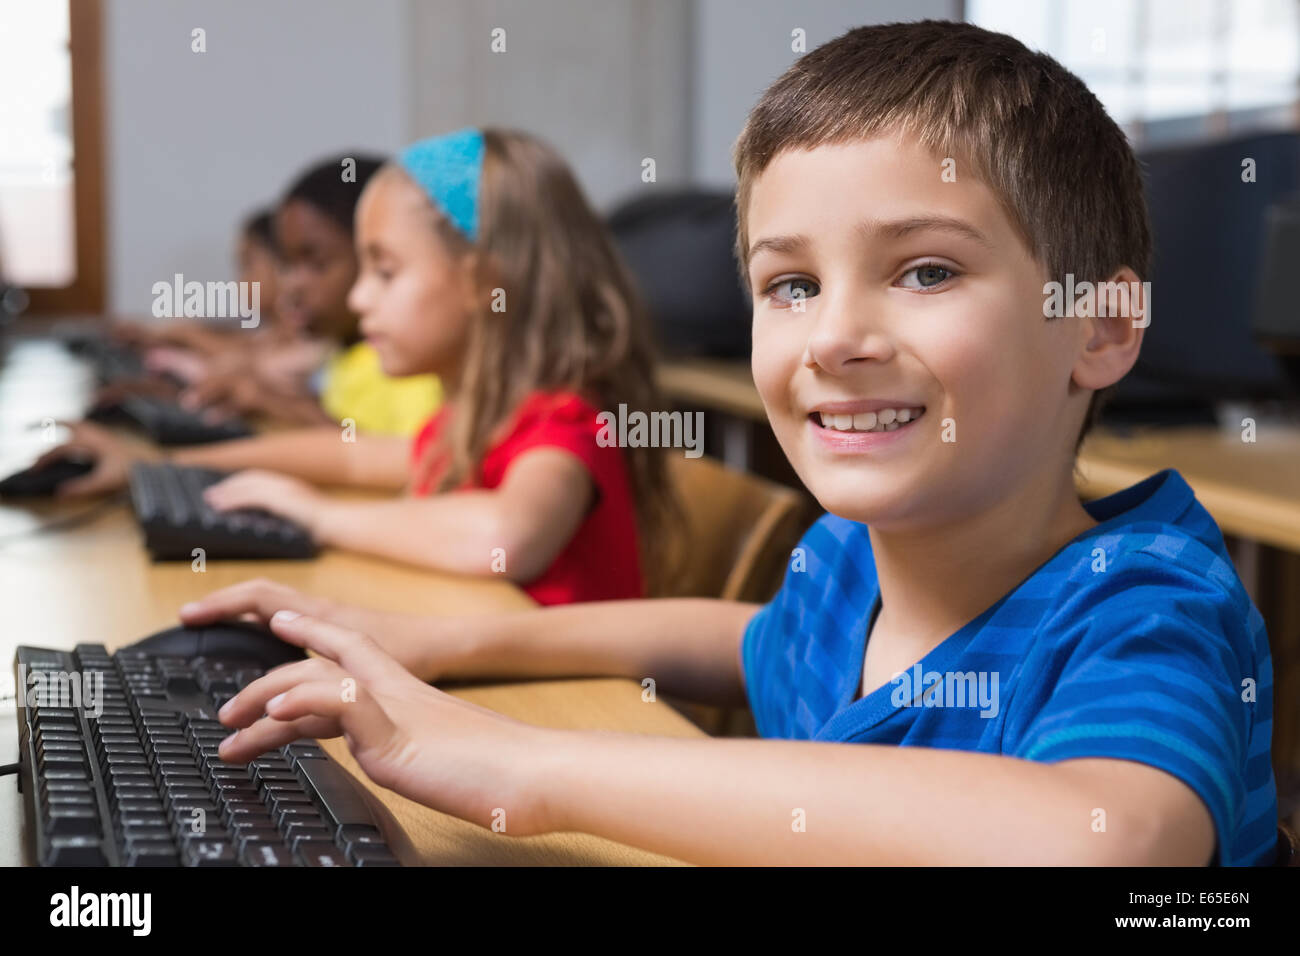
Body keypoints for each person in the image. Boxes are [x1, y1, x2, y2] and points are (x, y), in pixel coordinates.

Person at [194, 22, 1274, 865]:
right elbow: (740, 638)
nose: (837, 336)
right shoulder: (849, 566)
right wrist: (435, 645)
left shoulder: (1141, 603)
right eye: (790, 284)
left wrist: (526, 763)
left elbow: (1109, 836)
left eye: (925, 270)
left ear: (1100, 324)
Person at [47, 129, 673, 604]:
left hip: (565, 729)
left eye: (385, 271)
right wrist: (161, 469)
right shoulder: (473, 417)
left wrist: (319, 516)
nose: (357, 298)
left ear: (485, 282)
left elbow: (506, 536)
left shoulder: (566, 419)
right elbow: (345, 456)